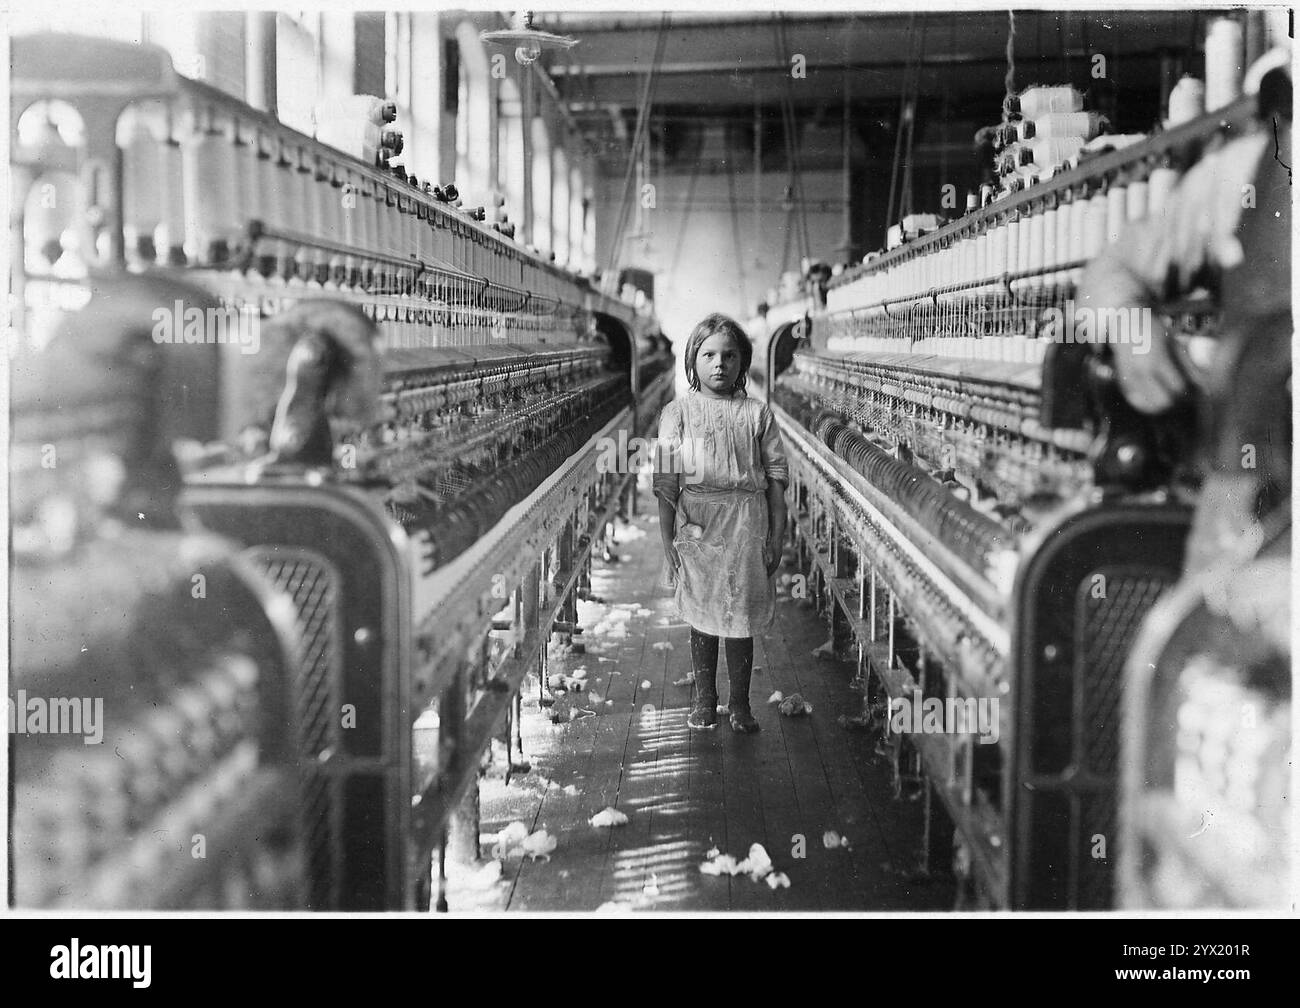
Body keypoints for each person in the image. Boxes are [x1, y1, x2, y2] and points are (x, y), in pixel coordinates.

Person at [653, 313, 790, 732]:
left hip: (748, 523)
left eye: (730, 356)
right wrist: (666, 545)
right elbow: (665, 485)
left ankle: (740, 705)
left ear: (742, 363)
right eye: (709, 354)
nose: (719, 364)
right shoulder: (677, 414)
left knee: (741, 616)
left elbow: (777, 481)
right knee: (703, 612)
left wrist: (777, 537)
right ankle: (704, 698)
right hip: (698, 522)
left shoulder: (757, 413)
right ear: (693, 360)